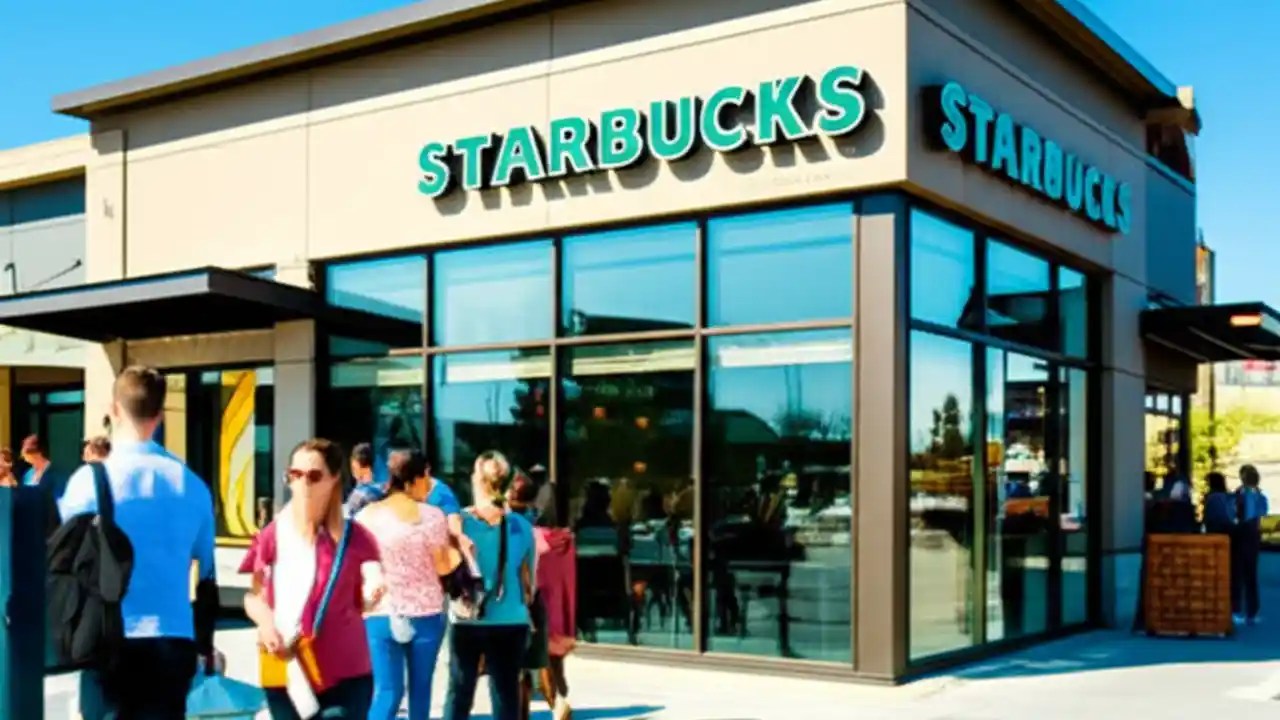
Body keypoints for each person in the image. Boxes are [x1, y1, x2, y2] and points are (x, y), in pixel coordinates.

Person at [57, 365, 222, 719]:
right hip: (174, 636)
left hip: (108, 636)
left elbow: (62, 554)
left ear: (114, 409)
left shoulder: (88, 481)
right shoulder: (192, 484)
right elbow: (206, 569)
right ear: (160, 415)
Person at [243, 439, 384, 719]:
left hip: (344, 672)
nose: (303, 483)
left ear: (333, 480)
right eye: (295, 475)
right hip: (286, 668)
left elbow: (372, 580)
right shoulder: (273, 535)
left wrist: (373, 591)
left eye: (314, 476)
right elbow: (254, 596)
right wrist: (267, 624)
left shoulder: (354, 538)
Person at [357, 448, 451, 720]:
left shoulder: (367, 516)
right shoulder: (432, 516)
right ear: (415, 479)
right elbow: (442, 566)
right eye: (427, 478)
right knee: (420, 693)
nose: (429, 485)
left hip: (379, 611)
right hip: (426, 611)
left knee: (386, 692)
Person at [444, 451, 537, 720]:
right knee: (506, 693)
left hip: (467, 618)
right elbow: (529, 581)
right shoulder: (521, 526)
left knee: (460, 692)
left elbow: (446, 567)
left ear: (477, 480)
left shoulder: (460, 523)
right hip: (510, 618)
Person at [1234, 464, 1269, 625]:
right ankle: (1250, 611)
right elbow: (1262, 514)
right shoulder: (1259, 496)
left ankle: (1239, 610)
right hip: (1251, 534)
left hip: (1243, 533)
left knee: (1240, 573)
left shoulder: (1239, 495)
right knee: (1249, 574)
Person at [344, 442, 384, 516]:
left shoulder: (361, 495)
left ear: (366, 469)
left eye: (354, 468)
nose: (352, 471)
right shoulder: (382, 490)